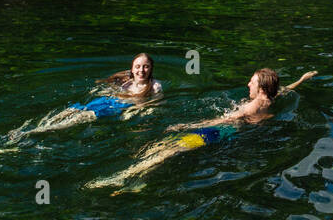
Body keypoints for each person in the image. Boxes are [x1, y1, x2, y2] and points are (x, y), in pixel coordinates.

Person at [86, 68, 317, 190]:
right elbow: (286, 88)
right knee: (164, 148)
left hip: (219, 133)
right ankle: (140, 176)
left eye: (252, 82)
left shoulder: (248, 108)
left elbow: (221, 121)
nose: (248, 84)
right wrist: (303, 79)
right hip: (234, 135)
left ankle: (124, 177)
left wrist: (187, 125)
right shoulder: (272, 99)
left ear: (262, 88)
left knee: (170, 148)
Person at [31, 53, 162, 132]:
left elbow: (155, 104)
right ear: (132, 69)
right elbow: (108, 87)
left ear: (151, 69)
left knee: (81, 117)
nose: (142, 70)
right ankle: (31, 128)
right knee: (74, 110)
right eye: (138, 67)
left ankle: (38, 130)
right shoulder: (127, 80)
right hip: (107, 101)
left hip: (119, 107)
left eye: (146, 66)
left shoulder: (155, 86)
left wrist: (136, 113)